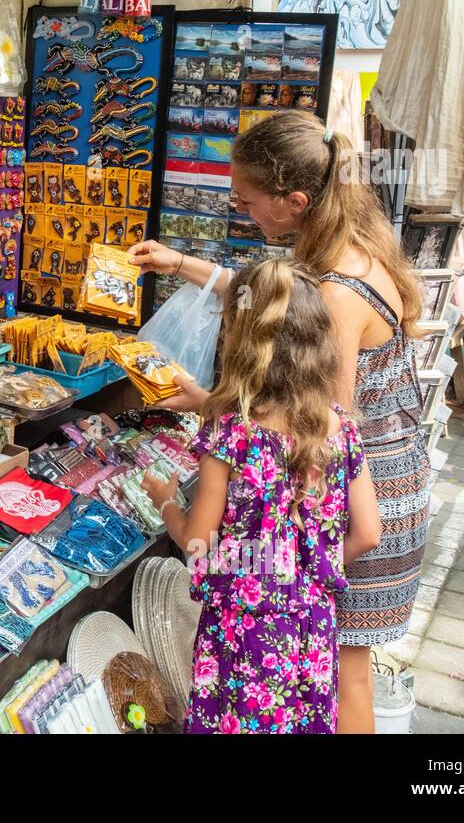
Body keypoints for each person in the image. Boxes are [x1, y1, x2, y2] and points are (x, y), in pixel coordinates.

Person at [130, 110, 429, 734]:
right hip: (364, 493)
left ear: (295, 201)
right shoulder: (342, 244)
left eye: (247, 200)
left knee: (348, 678)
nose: (242, 212)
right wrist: (180, 263)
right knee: (313, 684)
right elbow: (261, 297)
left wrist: (217, 406)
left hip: (351, 501)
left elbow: (310, 420)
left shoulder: (338, 294)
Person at [144, 260, 380, 733]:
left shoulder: (231, 431)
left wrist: (166, 502)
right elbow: (369, 533)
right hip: (311, 625)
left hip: (242, 630)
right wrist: (310, 570)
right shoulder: (341, 427)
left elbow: (197, 542)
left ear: (241, 341)